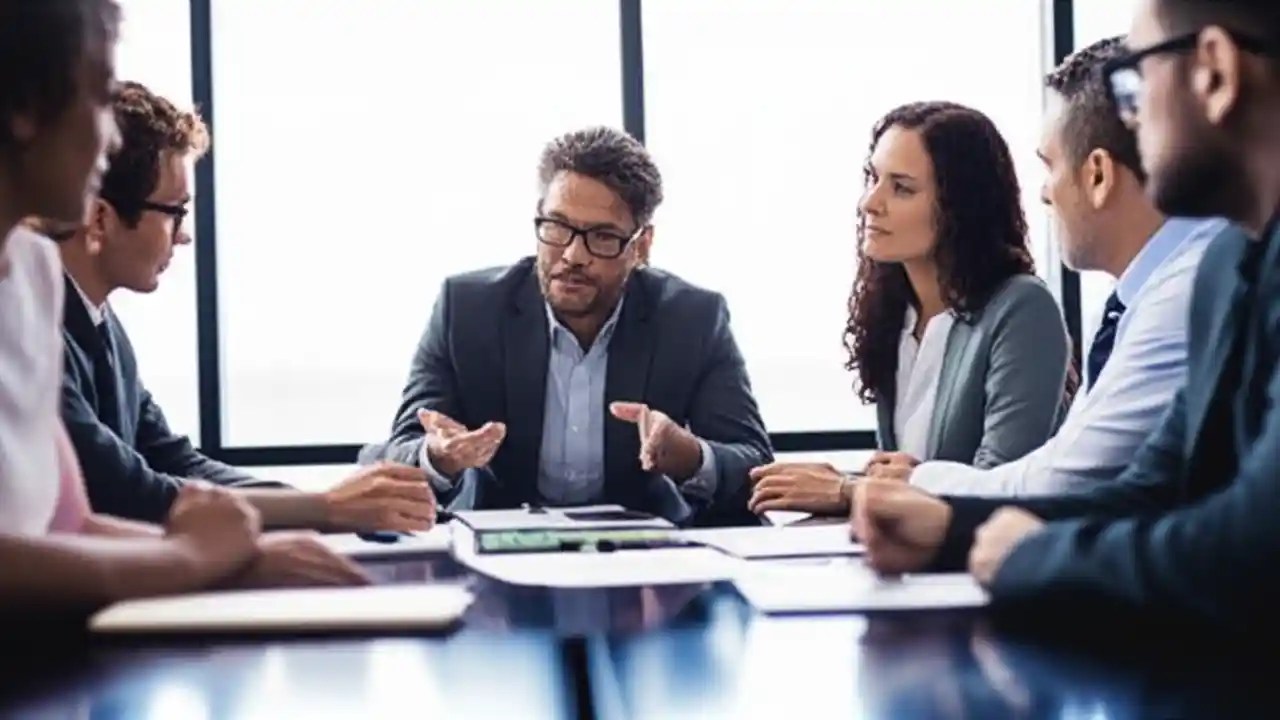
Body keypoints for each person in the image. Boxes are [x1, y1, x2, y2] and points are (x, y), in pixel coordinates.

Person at [853, 0, 1280, 633]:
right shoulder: (1229, 264)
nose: (1126, 120)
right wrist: (951, 529)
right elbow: (1155, 490)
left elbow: (1250, 548)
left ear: (1214, 73)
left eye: (1133, 82)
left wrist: (1031, 555)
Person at [0, 0, 364, 610]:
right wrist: (189, 559)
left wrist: (245, 561)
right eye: (97, 96)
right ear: (27, 111)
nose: (109, 135)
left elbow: (70, 525)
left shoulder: (33, 274)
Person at [53, 81, 436, 531]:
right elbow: (128, 492)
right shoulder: (35, 335)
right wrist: (325, 509)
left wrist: (326, 505)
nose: (184, 234)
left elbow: (176, 461)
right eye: (175, 211)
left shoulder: (102, 325)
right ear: (101, 218)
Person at [870, 37, 1229, 495]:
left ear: (1097, 176)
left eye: (1050, 166)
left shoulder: (1188, 296)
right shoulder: (1135, 302)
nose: (1044, 193)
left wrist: (903, 484)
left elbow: (1059, 483)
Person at [362, 126, 772, 525]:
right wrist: (439, 457)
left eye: (603, 236)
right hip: (503, 548)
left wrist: (691, 457)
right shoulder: (467, 310)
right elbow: (396, 453)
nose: (573, 255)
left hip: (643, 555)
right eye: (556, 227)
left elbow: (755, 464)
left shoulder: (692, 318)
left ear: (641, 246)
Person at [748, 101, 1070, 516]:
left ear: (960, 206)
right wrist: (847, 485)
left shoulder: (1023, 308)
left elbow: (999, 484)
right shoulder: (896, 315)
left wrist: (847, 491)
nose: (870, 202)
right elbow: (899, 476)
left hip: (989, 564)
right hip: (918, 565)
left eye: (901, 188)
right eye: (873, 178)